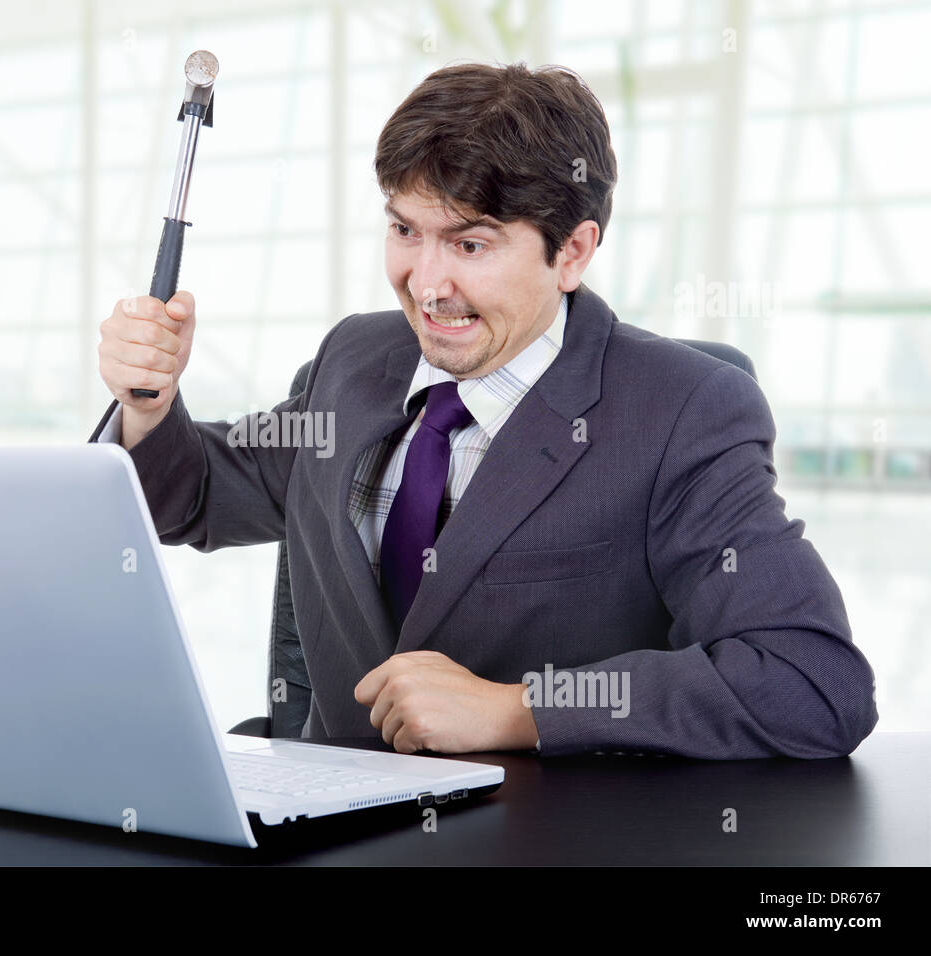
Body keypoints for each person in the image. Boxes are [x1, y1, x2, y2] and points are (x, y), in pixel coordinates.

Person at [89, 61, 878, 759]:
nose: (426, 285)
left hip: (539, 841)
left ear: (571, 251)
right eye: (405, 230)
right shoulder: (355, 361)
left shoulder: (681, 413)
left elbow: (809, 679)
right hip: (328, 833)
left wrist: (522, 709)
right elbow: (191, 498)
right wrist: (149, 403)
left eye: (470, 245)